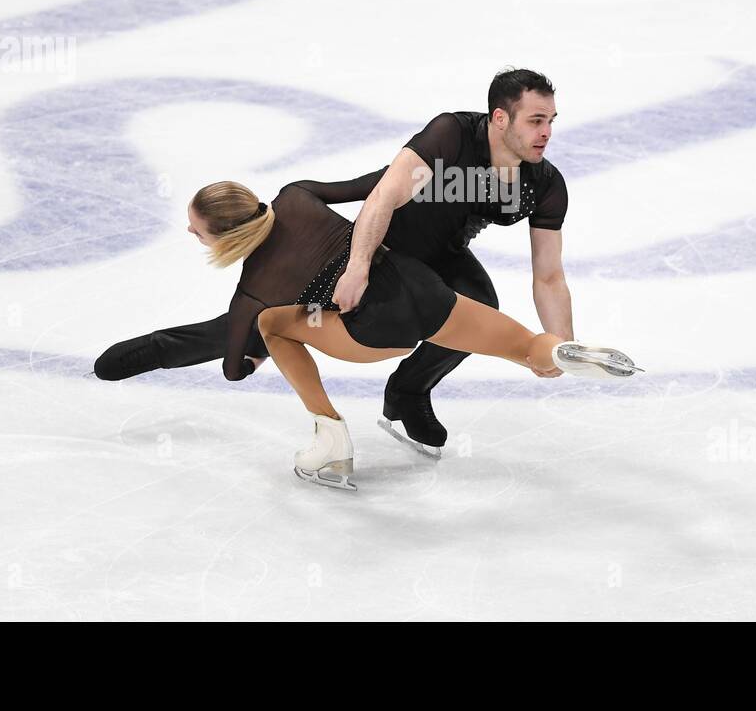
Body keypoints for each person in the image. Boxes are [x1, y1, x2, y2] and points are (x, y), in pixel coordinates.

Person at [93, 68, 575, 459]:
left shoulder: (543, 184)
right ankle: (156, 349)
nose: (547, 132)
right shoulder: (452, 134)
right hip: (381, 244)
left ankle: (407, 393)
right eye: (536, 120)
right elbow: (384, 191)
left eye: (550, 119)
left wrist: (563, 346)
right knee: (251, 325)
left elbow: (549, 276)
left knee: (480, 303)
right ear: (498, 119)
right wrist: (359, 265)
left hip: (442, 257)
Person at [180, 176, 638, 489]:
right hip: (419, 288)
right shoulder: (296, 194)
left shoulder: (254, 289)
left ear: (226, 235)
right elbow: (376, 182)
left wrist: (264, 344)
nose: (192, 233)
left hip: (375, 333)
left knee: (271, 326)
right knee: (523, 347)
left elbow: (233, 370)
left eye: (197, 231)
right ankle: (557, 352)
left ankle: (331, 439)